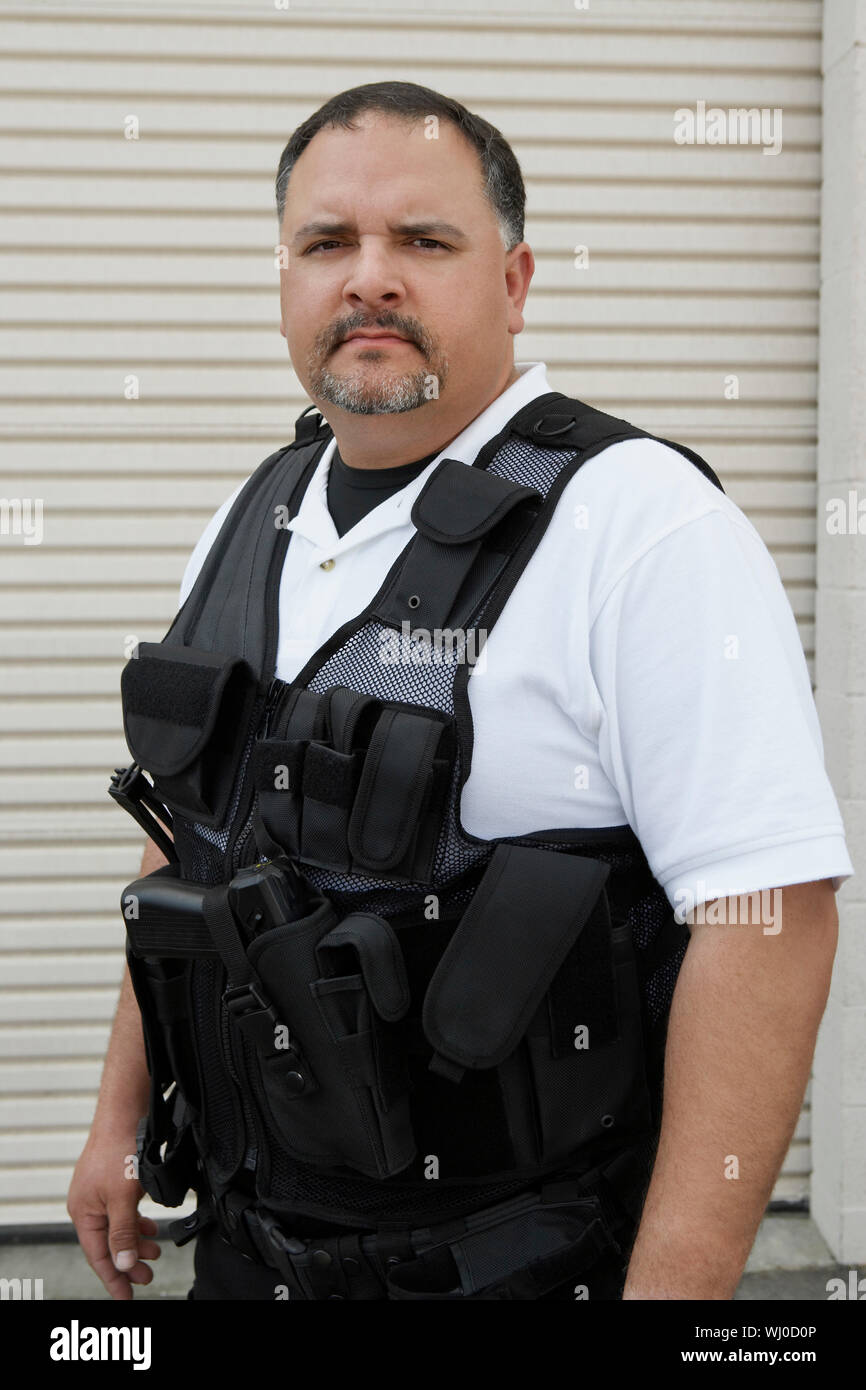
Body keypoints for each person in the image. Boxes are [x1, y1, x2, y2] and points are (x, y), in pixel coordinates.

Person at [68, 81, 852, 1302]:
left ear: (513, 278)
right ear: (284, 278)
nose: (368, 278)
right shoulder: (253, 514)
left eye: (423, 242)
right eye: (328, 242)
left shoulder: (636, 524)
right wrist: (119, 1119)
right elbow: (192, 856)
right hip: (248, 1249)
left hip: (514, 1266)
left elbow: (771, 920)